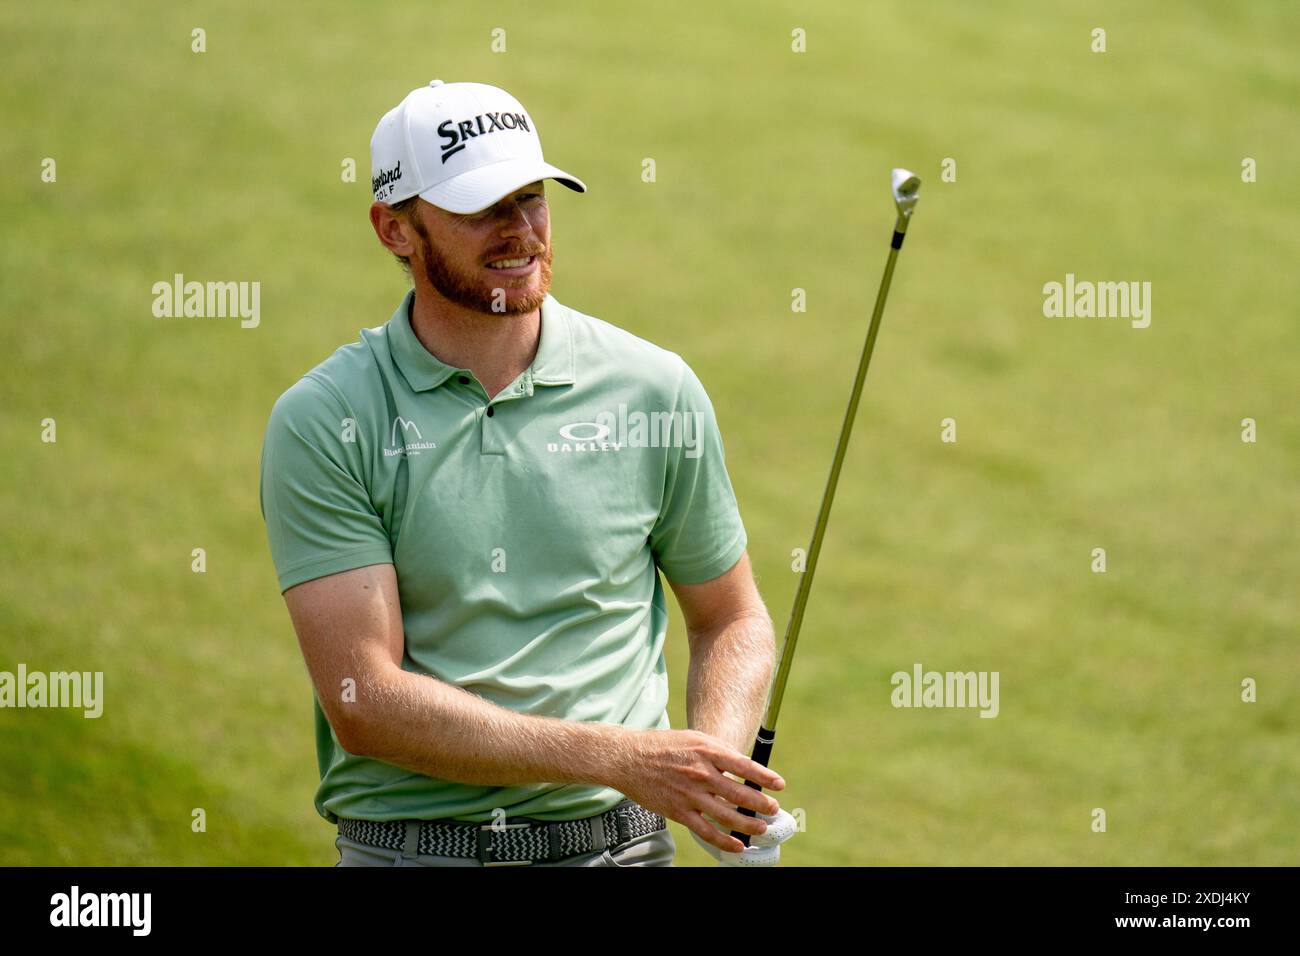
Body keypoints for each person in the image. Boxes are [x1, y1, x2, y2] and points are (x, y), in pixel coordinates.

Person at [259, 79, 797, 866]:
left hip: (623, 852)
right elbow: (365, 702)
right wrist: (620, 758)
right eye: (483, 208)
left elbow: (731, 618)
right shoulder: (327, 420)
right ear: (394, 229)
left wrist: (709, 774)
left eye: (533, 198)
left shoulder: (654, 389)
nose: (520, 232)